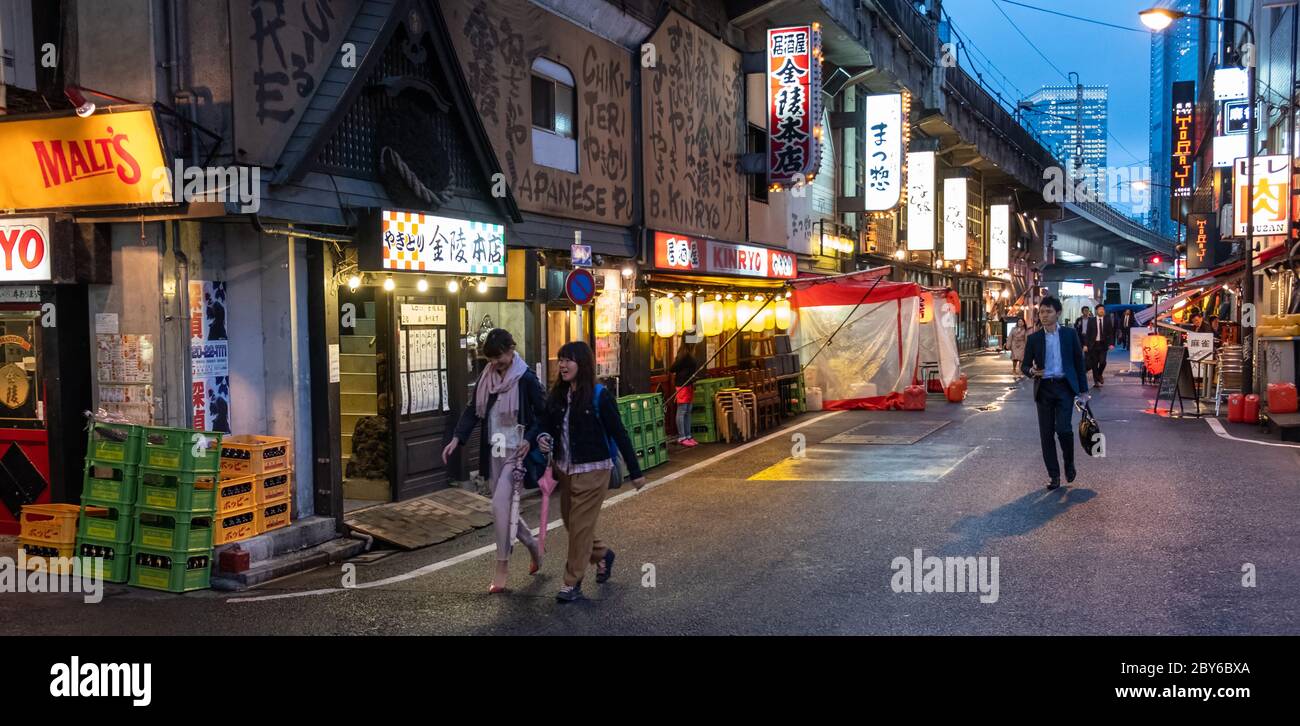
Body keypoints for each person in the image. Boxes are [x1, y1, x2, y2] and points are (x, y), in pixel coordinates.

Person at [535, 341, 646, 603]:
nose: (562, 365)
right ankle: (603, 554)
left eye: (568, 360)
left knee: (580, 527)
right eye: (560, 360)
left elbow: (619, 432)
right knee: (573, 524)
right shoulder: (558, 396)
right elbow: (546, 425)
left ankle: (571, 582)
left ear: (582, 364)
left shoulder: (599, 395)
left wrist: (635, 470)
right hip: (564, 470)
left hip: (594, 470)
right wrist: (542, 437)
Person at [444, 329, 546, 594]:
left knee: (500, 506)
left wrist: (530, 439)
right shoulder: (486, 378)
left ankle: (502, 567)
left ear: (510, 350)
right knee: (504, 510)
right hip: (494, 454)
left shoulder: (526, 379)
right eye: (491, 359)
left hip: (517, 454)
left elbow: (543, 414)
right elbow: (471, 410)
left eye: (499, 357)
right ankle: (533, 546)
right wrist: (457, 438)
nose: (495, 363)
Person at [1021, 296, 1089, 490]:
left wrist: (1083, 391)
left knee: (1064, 429)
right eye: (1041, 312)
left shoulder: (1069, 334)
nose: (1044, 315)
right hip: (1044, 389)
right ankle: (1054, 475)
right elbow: (1025, 365)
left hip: (1064, 387)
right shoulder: (1034, 338)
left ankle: (1069, 462)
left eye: (1048, 311)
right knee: (1046, 434)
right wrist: (1032, 371)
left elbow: (1078, 362)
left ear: (1057, 313)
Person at [670, 342, 700, 446]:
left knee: (688, 410)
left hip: (689, 384)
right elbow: (672, 368)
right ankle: (682, 437)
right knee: (682, 410)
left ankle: (688, 435)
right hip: (682, 385)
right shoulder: (683, 355)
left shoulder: (690, 354)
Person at [1081, 303, 1114, 386]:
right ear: (1096, 311)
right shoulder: (1091, 320)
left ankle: (1099, 375)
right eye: (1100, 309)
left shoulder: (1107, 320)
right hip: (1093, 345)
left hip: (1103, 344)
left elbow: (1111, 333)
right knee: (1094, 364)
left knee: (1103, 362)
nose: (1102, 311)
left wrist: (1111, 343)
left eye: (1103, 309)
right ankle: (1096, 381)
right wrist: (1085, 345)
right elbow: (1087, 333)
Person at [1009, 315, 1028, 381]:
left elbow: (1026, 339)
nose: (1020, 323)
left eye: (1021, 322)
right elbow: (1010, 337)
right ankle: (1014, 368)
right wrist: (1008, 345)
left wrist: (1027, 346)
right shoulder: (1013, 329)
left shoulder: (1025, 330)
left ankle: (1020, 370)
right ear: (1017, 323)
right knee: (1015, 358)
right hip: (1014, 344)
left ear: (1023, 323)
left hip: (1022, 344)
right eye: (1019, 321)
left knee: (1021, 359)